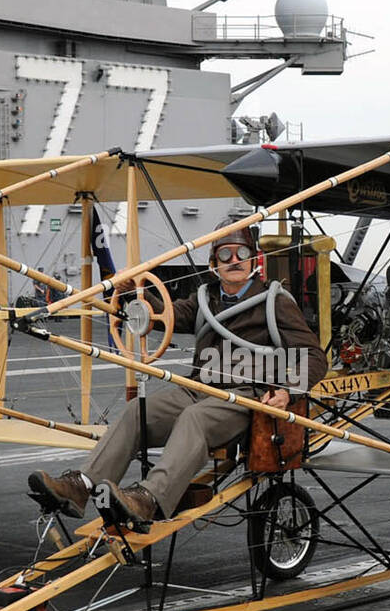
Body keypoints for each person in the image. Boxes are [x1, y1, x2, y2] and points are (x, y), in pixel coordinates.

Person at [28, 223, 328, 524]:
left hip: (243, 399)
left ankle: (149, 499)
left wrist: (289, 391)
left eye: (242, 252)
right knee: (137, 411)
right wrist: (136, 295)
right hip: (198, 390)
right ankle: (80, 485)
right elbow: (165, 314)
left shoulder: (274, 301)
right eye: (225, 253)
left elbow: (315, 356)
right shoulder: (204, 299)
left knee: (194, 419)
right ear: (214, 263)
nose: (234, 260)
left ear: (254, 260)